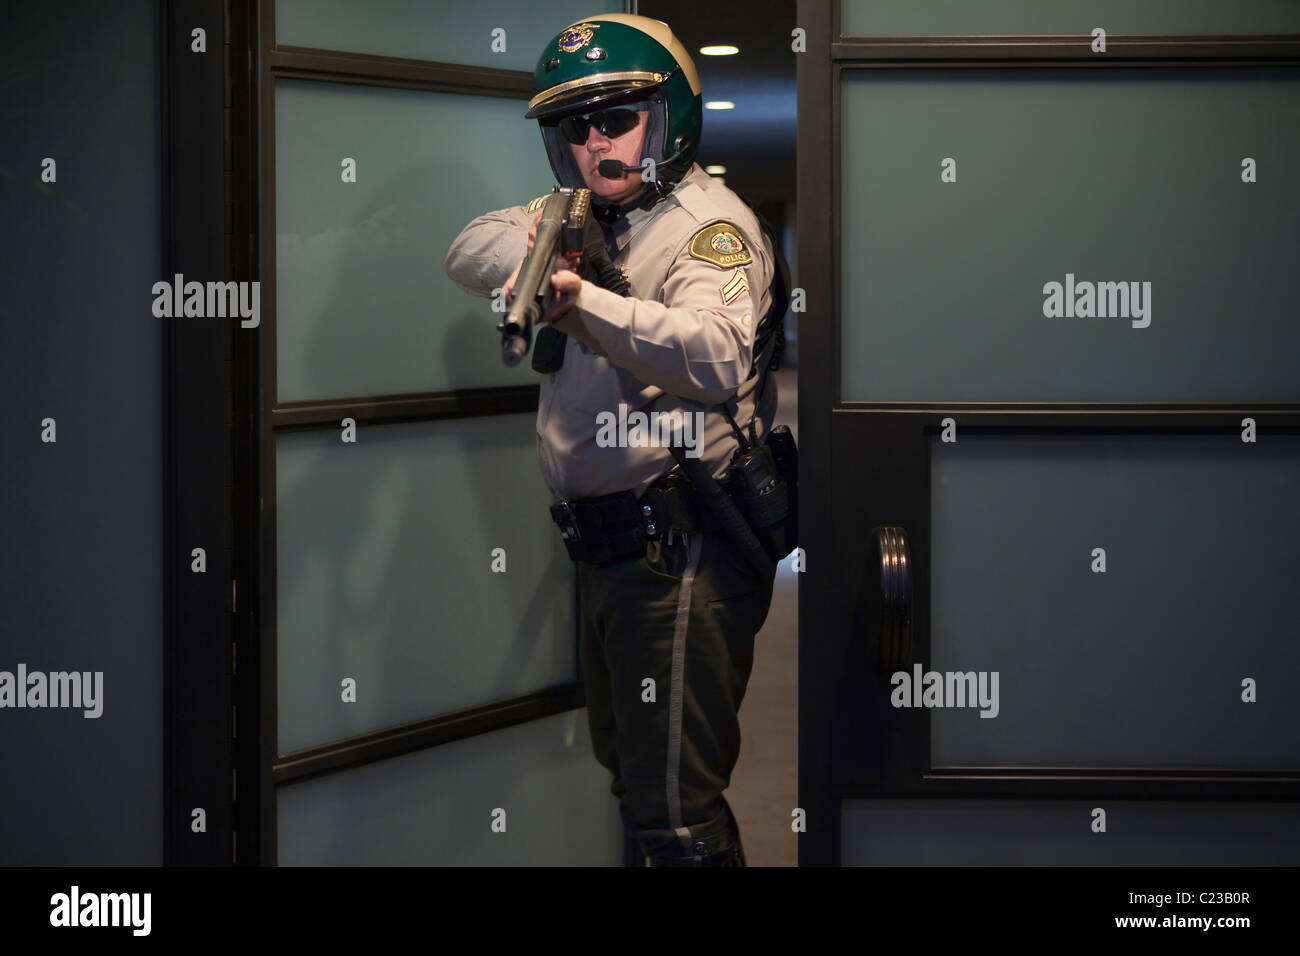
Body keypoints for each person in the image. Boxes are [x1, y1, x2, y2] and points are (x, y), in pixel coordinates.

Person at [445, 13, 791, 866]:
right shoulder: (584, 213)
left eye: (615, 119)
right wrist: (547, 248)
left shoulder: (710, 225)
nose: (593, 142)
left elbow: (714, 358)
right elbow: (466, 248)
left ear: (666, 118)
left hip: (682, 550)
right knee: (641, 789)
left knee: (676, 815)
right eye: (573, 127)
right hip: (613, 555)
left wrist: (583, 300)